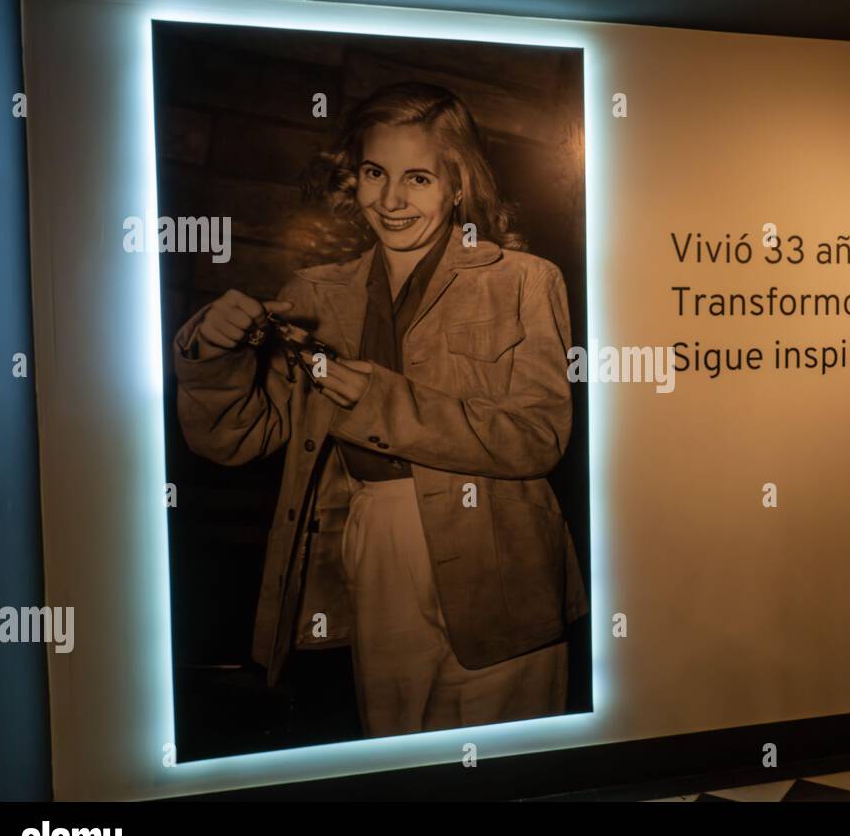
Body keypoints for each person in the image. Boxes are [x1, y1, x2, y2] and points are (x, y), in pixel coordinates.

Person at [172, 82, 588, 738]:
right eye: (374, 172)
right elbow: (237, 438)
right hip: (371, 546)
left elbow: (538, 437)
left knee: (509, 762)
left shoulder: (525, 280)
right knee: (400, 759)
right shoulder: (316, 292)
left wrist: (382, 402)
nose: (390, 201)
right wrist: (212, 353)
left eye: (418, 178)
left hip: (502, 553)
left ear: (457, 186)